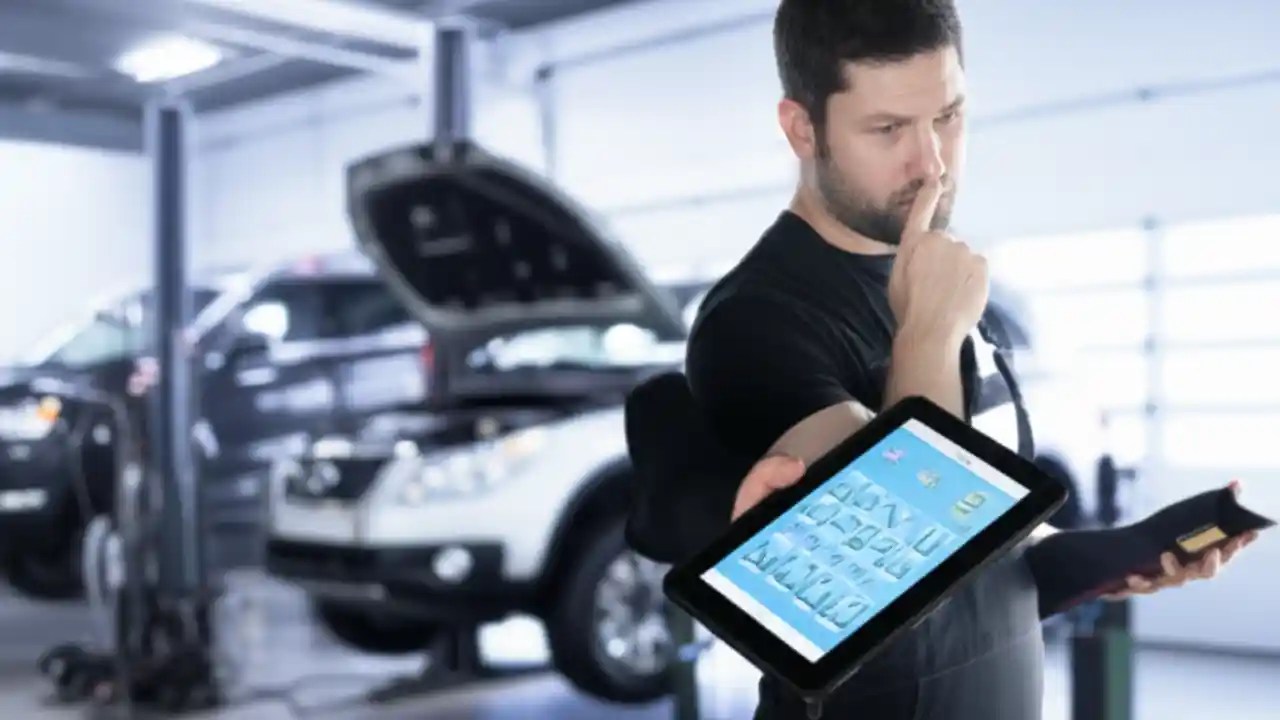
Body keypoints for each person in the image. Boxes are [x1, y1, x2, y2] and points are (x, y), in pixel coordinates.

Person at [683, 1, 1256, 718]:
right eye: (888, 129)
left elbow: (994, 569)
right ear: (803, 129)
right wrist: (927, 337)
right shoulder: (754, 322)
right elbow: (891, 577)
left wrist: (1123, 556)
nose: (932, 164)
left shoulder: (943, 283)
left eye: (948, 116)